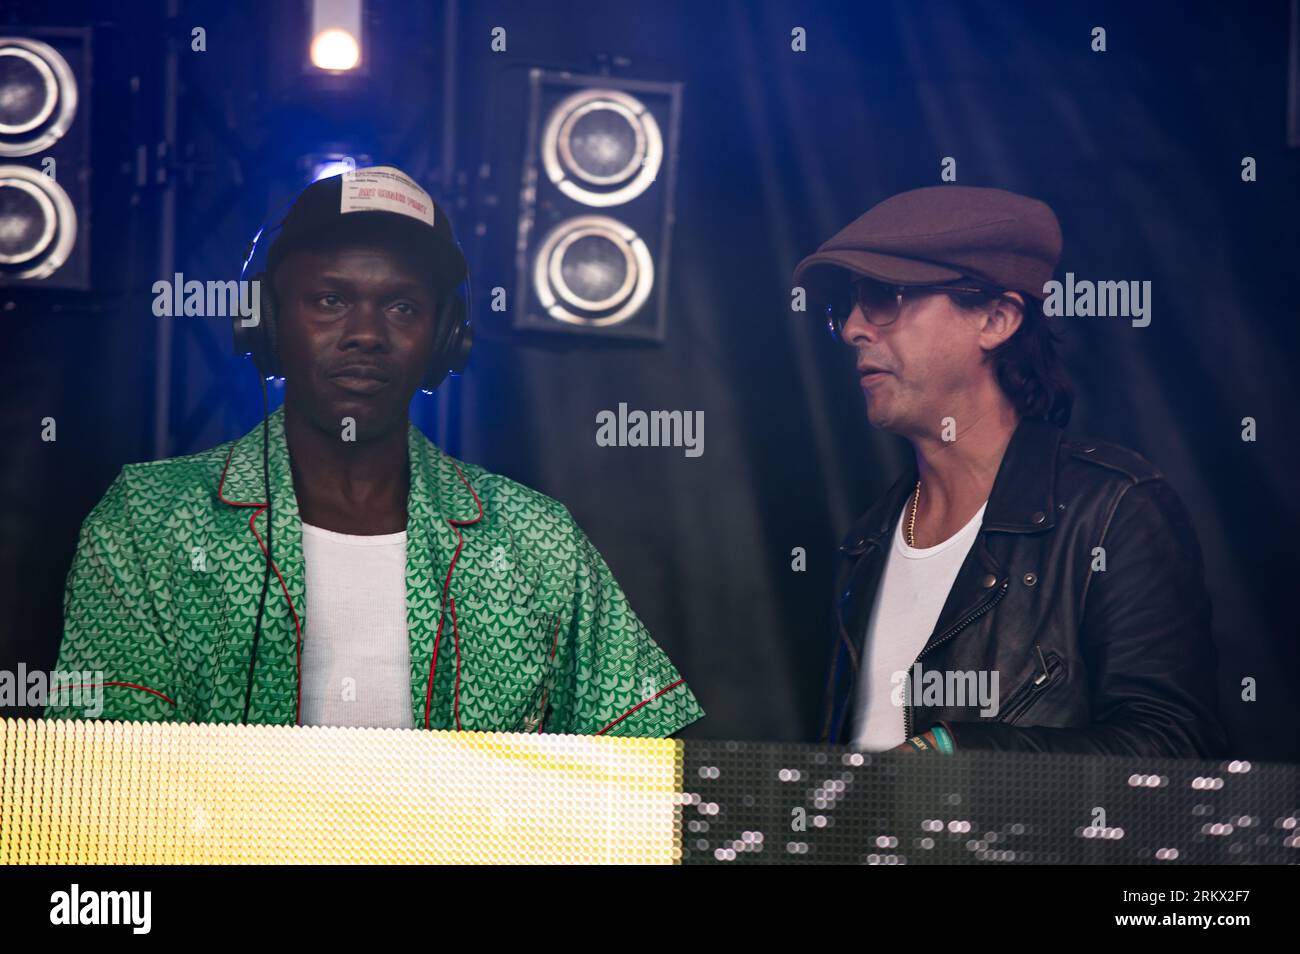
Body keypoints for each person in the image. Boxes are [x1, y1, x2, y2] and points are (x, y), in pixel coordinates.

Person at [46, 165, 704, 737]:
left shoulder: (536, 539)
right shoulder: (147, 520)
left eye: (402, 307)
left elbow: (641, 776)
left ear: (447, 340)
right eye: (329, 300)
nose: (365, 334)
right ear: (266, 322)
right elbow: (105, 777)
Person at [793, 185, 1225, 757]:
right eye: (846, 306)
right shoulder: (868, 540)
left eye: (884, 298)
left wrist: (958, 758)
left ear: (995, 320)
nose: (852, 328)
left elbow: (1173, 747)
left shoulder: (1113, 509)